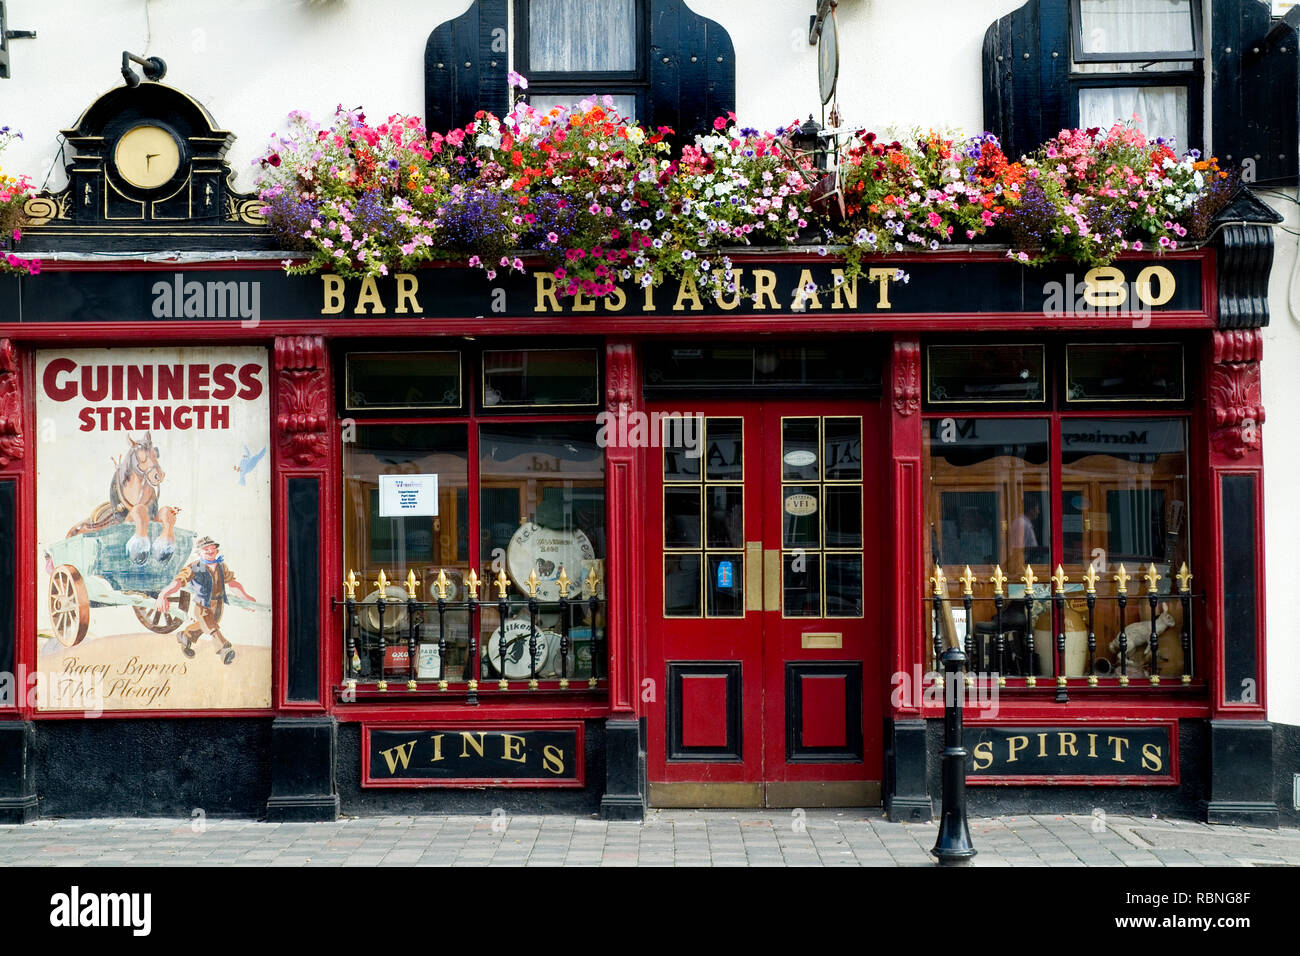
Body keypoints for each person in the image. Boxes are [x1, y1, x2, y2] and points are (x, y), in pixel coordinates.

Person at [154, 536, 256, 665]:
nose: (209, 551)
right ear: (199, 552)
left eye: (212, 548)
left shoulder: (221, 566)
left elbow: (232, 583)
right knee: (212, 629)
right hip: (203, 605)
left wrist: (246, 597)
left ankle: (185, 636)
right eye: (205, 549)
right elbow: (179, 582)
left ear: (216, 550)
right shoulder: (194, 567)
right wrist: (163, 594)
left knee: (207, 626)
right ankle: (224, 649)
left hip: (218, 604)